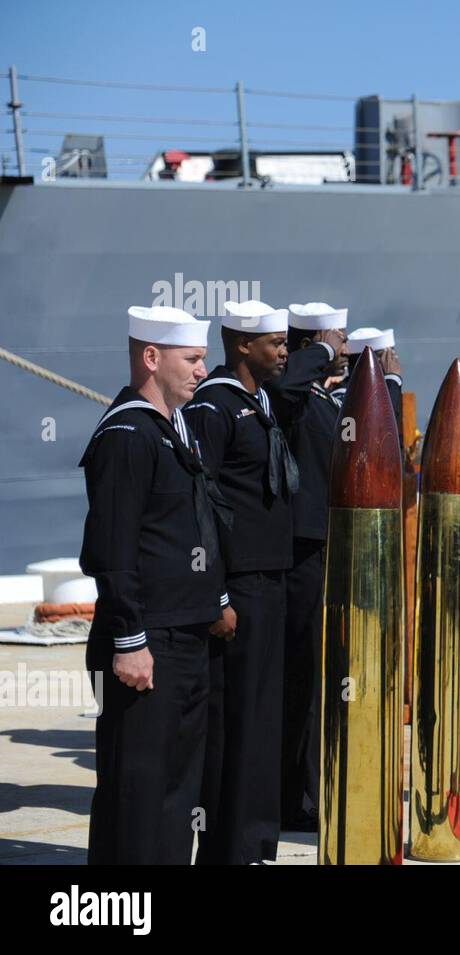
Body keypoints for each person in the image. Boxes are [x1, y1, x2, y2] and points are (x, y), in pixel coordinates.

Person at [80, 305, 234, 864]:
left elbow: (191, 526)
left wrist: (214, 599)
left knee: (176, 792)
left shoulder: (174, 429)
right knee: (136, 794)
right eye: (191, 358)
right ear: (152, 357)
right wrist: (128, 641)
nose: (202, 369)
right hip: (145, 644)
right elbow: (113, 550)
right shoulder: (127, 436)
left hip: (184, 639)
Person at [184, 300, 302, 864]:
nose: (284, 350)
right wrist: (217, 592)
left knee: (263, 716)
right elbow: (200, 500)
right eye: (274, 342)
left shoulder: (258, 401)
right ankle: (226, 846)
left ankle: (256, 840)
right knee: (234, 719)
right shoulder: (215, 406)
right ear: (241, 345)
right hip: (240, 583)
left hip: (271, 579)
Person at [274, 302, 349, 831]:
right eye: (333, 341)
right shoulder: (293, 394)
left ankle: (306, 789)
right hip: (301, 553)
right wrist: (320, 349)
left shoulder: (321, 396)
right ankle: (293, 797)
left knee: (320, 678)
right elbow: (284, 388)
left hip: (322, 548)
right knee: (301, 677)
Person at [331, 326, 402, 431]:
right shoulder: (343, 396)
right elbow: (380, 426)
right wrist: (392, 379)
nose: (390, 363)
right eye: (384, 357)